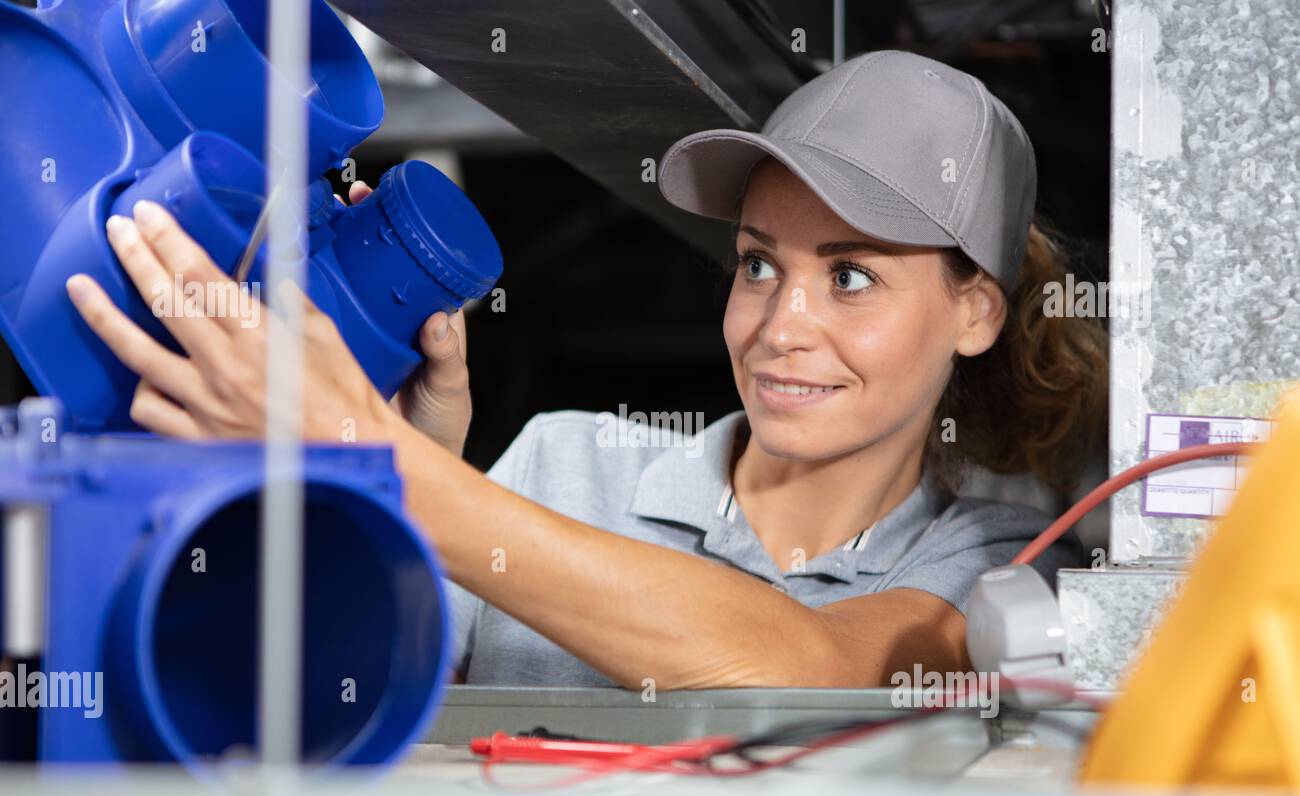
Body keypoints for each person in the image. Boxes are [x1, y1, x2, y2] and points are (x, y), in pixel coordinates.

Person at [64, 50, 1106, 689]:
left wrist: (384, 461)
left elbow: (808, 663)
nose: (780, 324)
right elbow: (350, 702)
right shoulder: (565, 461)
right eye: (757, 263)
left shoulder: (1008, 566)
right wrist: (362, 501)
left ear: (973, 311)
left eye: (851, 278)